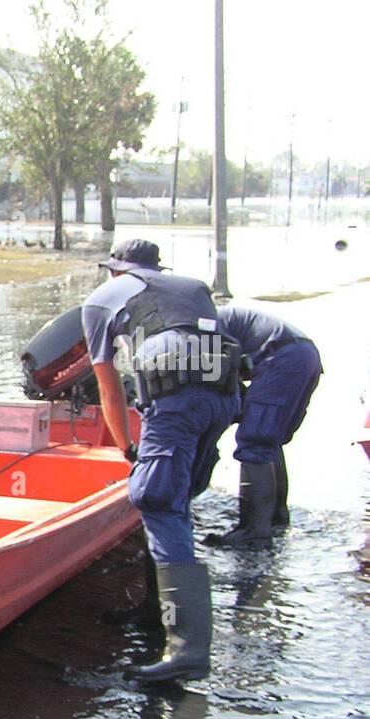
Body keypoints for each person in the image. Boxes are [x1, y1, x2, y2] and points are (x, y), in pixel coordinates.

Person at [81, 239, 241, 683]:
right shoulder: (191, 286)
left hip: (177, 401)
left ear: (115, 270)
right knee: (178, 498)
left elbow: (109, 388)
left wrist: (126, 448)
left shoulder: (100, 301)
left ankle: (187, 650)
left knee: (155, 499)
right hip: (225, 397)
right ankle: (156, 613)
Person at [204, 305, 323, 545]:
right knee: (269, 441)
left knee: (254, 442)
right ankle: (275, 517)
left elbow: (220, 383)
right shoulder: (215, 317)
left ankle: (253, 530)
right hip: (304, 355)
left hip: (281, 359)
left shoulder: (204, 324)